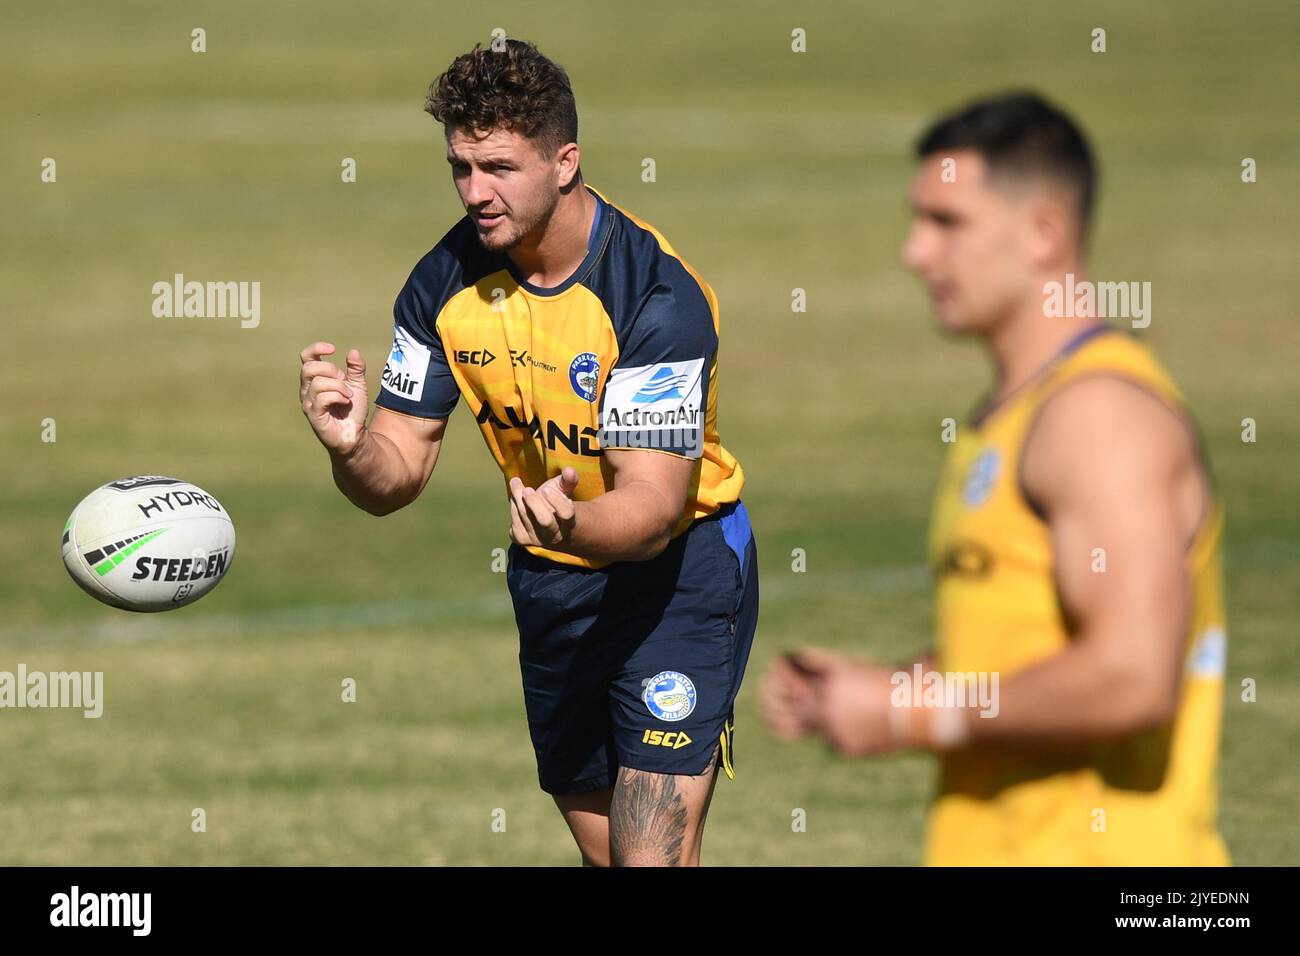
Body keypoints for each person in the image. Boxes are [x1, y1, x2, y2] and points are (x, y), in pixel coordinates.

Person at [298, 39, 757, 867]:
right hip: (552, 578)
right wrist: (349, 447)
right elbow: (396, 470)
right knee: (610, 857)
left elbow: (652, 510)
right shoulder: (442, 283)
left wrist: (572, 525)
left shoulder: (655, 295)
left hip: (674, 580)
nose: (476, 193)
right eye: (461, 169)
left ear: (566, 161)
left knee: (651, 859)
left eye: (500, 167)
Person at [760, 92, 1229, 866]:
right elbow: (1028, 652)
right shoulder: (1013, 418)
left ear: (1043, 232)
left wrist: (914, 715)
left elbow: (1133, 675)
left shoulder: (1099, 415)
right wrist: (882, 690)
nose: (916, 253)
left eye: (947, 223)